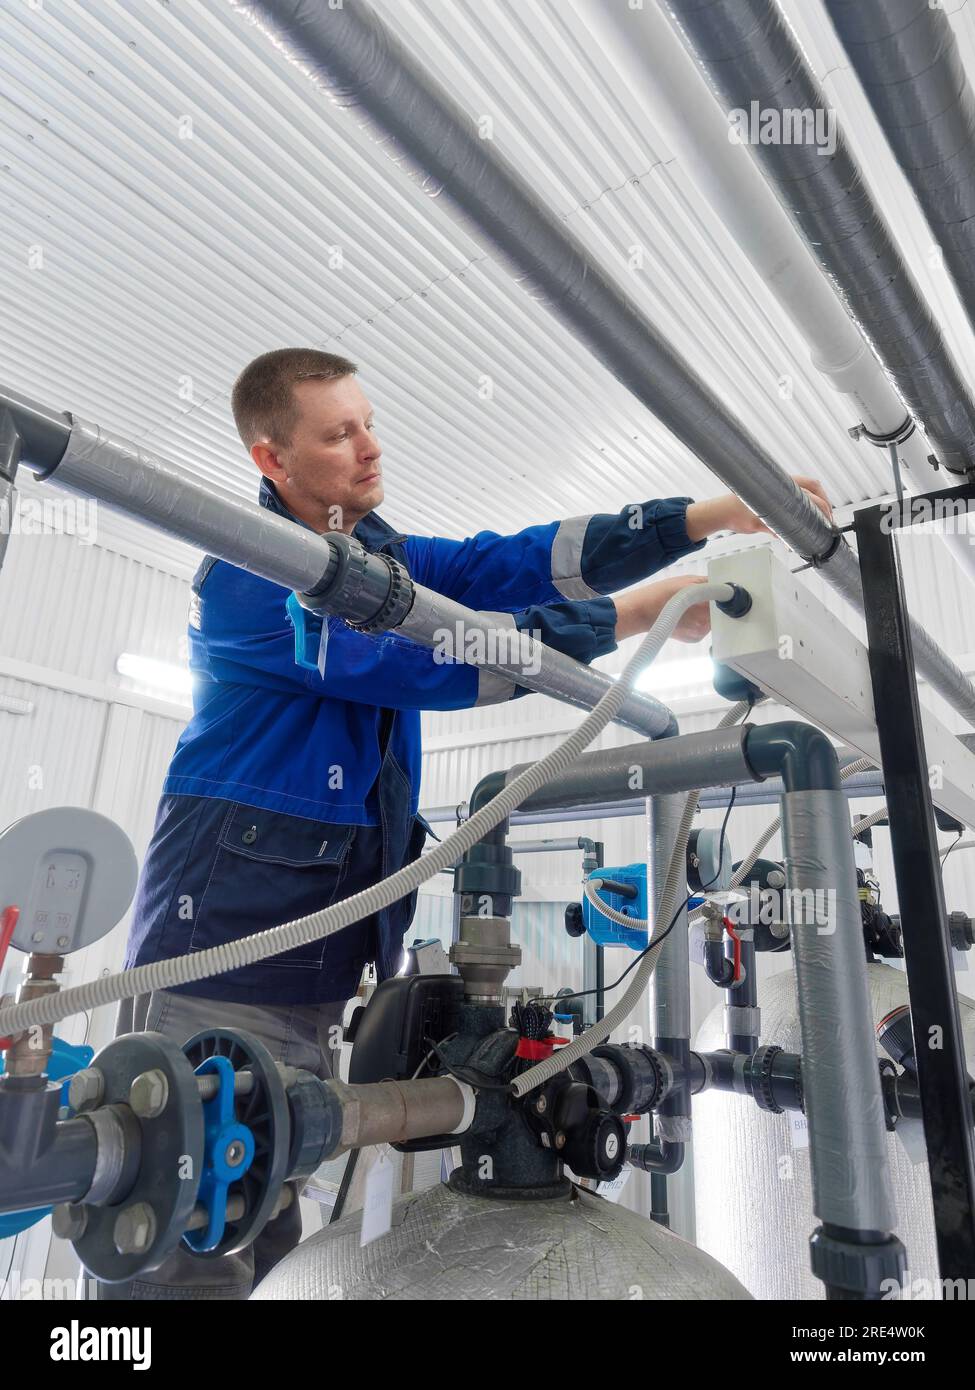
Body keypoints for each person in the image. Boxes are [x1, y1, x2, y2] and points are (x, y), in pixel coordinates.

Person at [107, 347, 832, 1298]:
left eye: (367, 421)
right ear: (273, 460)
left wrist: (702, 519)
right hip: (218, 962)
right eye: (338, 434)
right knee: (186, 1235)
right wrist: (629, 618)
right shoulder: (254, 571)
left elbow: (515, 561)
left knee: (268, 1211)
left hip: (313, 975)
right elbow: (416, 665)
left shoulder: (384, 559)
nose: (370, 447)